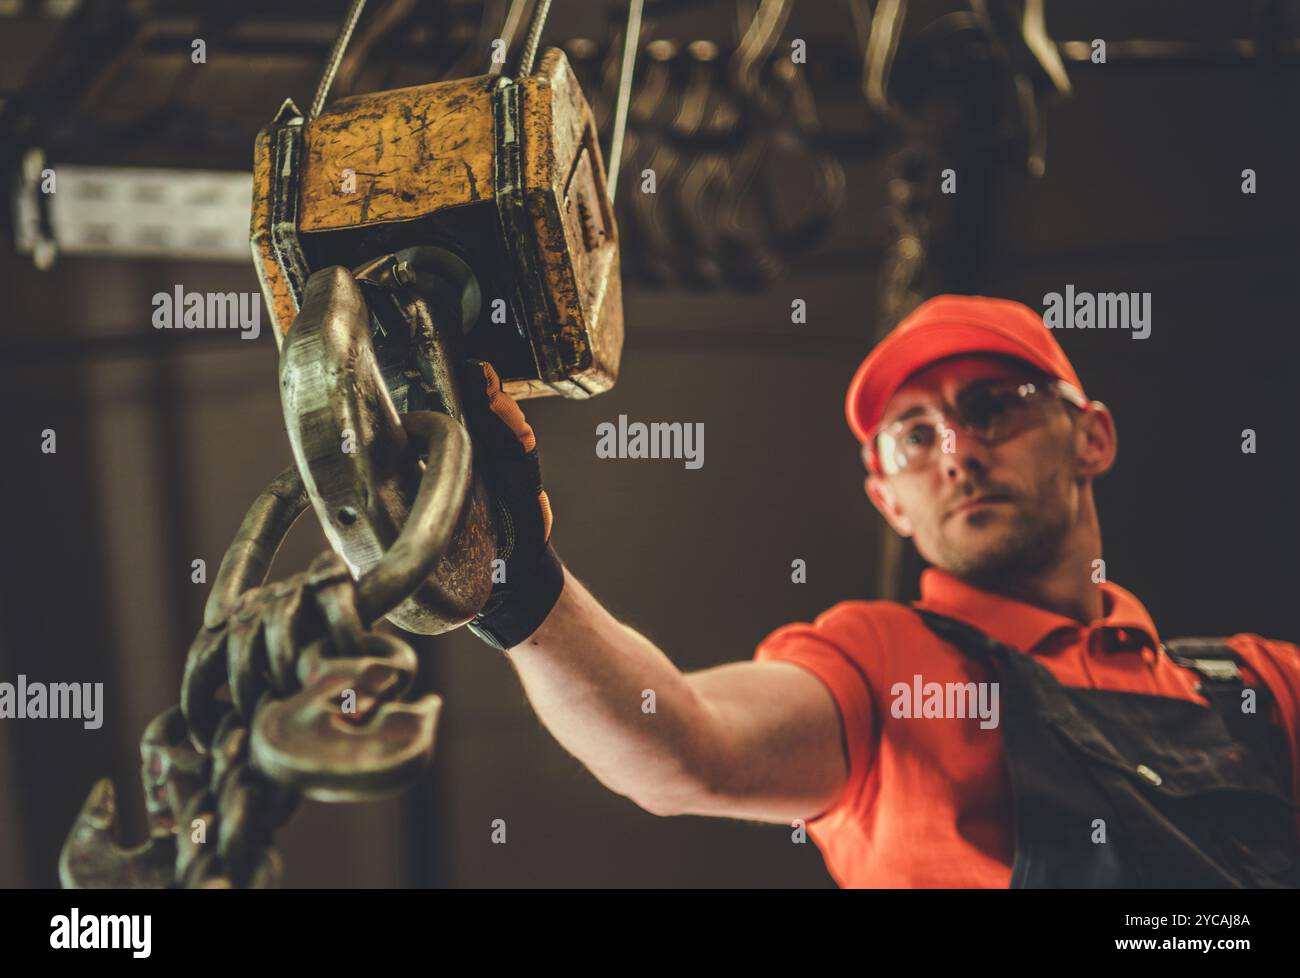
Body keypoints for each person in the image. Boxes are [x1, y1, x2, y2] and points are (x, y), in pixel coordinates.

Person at [458, 293, 1300, 888]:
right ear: (888, 499)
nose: (958, 453)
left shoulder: (1265, 684)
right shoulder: (883, 662)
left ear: (1093, 437)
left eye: (995, 406)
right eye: (916, 436)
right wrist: (520, 582)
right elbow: (683, 750)